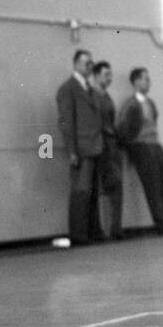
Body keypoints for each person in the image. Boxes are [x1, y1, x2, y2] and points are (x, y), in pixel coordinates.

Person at [118, 67, 163, 234]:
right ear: (136, 81)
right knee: (153, 186)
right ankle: (162, 223)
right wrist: (133, 148)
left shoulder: (150, 103)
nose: (148, 82)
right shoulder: (130, 105)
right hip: (142, 146)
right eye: (145, 79)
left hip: (155, 144)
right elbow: (124, 129)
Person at [55, 49, 105, 245]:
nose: (89, 66)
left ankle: (93, 231)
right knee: (81, 192)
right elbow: (66, 122)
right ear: (75, 64)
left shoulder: (89, 89)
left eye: (91, 63)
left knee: (92, 193)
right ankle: (79, 234)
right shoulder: (68, 88)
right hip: (82, 149)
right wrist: (72, 151)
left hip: (94, 147)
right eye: (86, 63)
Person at [90, 60, 124, 241]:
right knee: (98, 190)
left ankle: (115, 229)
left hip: (111, 147)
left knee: (116, 187)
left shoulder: (107, 96)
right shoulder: (92, 97)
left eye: (110, 75)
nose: (109, 78)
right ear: (95, 76)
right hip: (100, 147)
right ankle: (100, 231)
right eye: (106, 75)